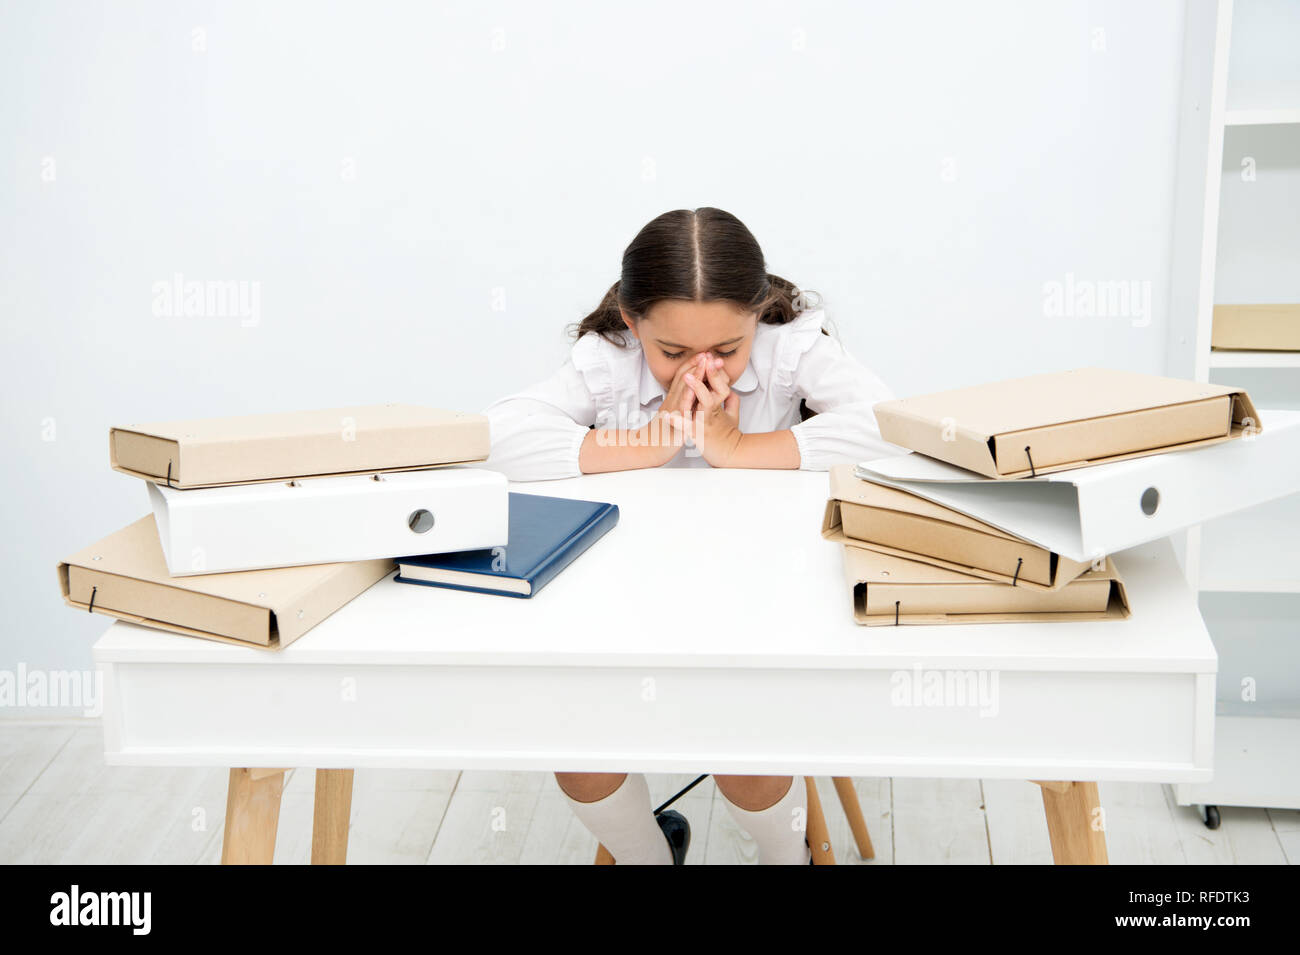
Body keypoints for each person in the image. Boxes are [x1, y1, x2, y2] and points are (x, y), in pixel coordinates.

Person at [480, 207, 900, 864]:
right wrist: (646, 443)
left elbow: (892, 429)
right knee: (579, 753)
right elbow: (495, 439)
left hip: (764, 604)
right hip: (633, 605)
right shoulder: (610, 361)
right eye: (672, 353)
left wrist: (740, 447)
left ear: (758, 316)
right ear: (632, 322)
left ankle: (786, 856)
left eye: (727, 350)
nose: (699, 371)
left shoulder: (789, 348)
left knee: (746, 753)